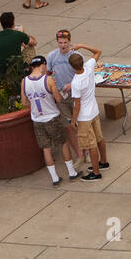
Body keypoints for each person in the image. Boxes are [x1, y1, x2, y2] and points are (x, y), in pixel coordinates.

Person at [22, 55, 78, 185]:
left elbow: (24, 102)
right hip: (52, 116)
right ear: (43, 65)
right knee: (63, 143)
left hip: (37, 119)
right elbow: (58, 99)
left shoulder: (24, 81)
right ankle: (71, 172)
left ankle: (54, 178)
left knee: (46, 148)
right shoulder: (48, 80)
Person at [68, 43, 106, 180]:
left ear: (71, 67)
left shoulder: (76, 83)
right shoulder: (89, 67)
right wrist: (81, 45)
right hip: (94, 110)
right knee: (99, 138)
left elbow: (77, 105)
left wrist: (73, 120)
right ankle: (103, 162)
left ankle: (96, 173)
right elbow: (98, 51)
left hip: (84, 117)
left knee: (91, 145)